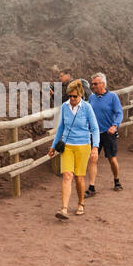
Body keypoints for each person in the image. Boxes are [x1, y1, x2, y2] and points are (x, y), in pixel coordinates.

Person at [48, 80, 100, 219]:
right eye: (70, 96)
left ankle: (81, 203)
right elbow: (60, 128)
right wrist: (53, 146)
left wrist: (95, 147)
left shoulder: (87, 108)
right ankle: (64, 209)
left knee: (79, 178)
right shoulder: (65, 107)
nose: (72, 99)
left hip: (83, 146)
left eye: (75, 96)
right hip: (67, 146)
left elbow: (94, 128)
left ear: (81, 96)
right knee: (67, 175)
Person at [85, 72, 124, 194]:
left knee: (112, 159)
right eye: (92, 84)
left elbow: (119, 113)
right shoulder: (91, 98)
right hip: (94, 134)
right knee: (92, 159)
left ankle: (117, 180)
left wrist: (114, 125)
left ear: (103, 84)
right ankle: (91, 187)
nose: (93, 86)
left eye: (95, 84)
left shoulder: (112, 97)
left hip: (108, 133)